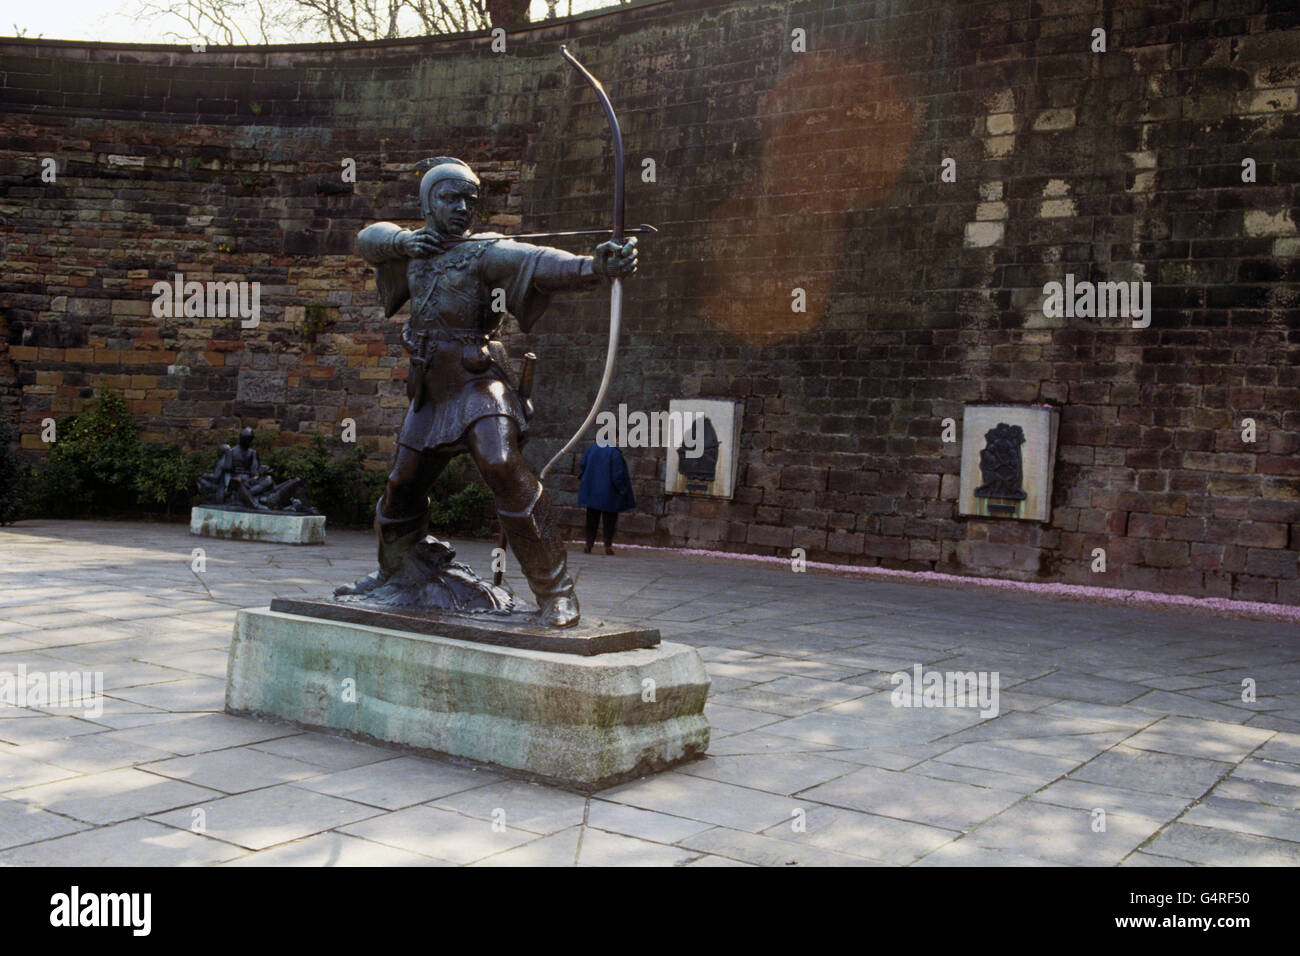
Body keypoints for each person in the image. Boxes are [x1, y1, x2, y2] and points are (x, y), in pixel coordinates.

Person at [338, 157, 638, 627]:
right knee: (402, 485)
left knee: (501, 465)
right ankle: (394, 571)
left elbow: (537, 261)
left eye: (469, 201)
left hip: (479, 382)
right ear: (427, 203)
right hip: (430, 387)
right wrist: (404, 240)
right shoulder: (412, 249)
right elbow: (368, 239)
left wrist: (594, 267)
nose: (461, 208)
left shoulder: (485, 252)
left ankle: (556, 592)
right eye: (449, 198)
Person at [578, 441, 635, 555]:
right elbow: (617, 474)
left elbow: (582, 464)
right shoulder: (614, 453)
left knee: (591, 520)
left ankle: (588, 545)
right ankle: (607, 546)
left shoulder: (591, 449)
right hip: (610, 493)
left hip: (592, 490)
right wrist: (622, 489)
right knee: (609, 521)